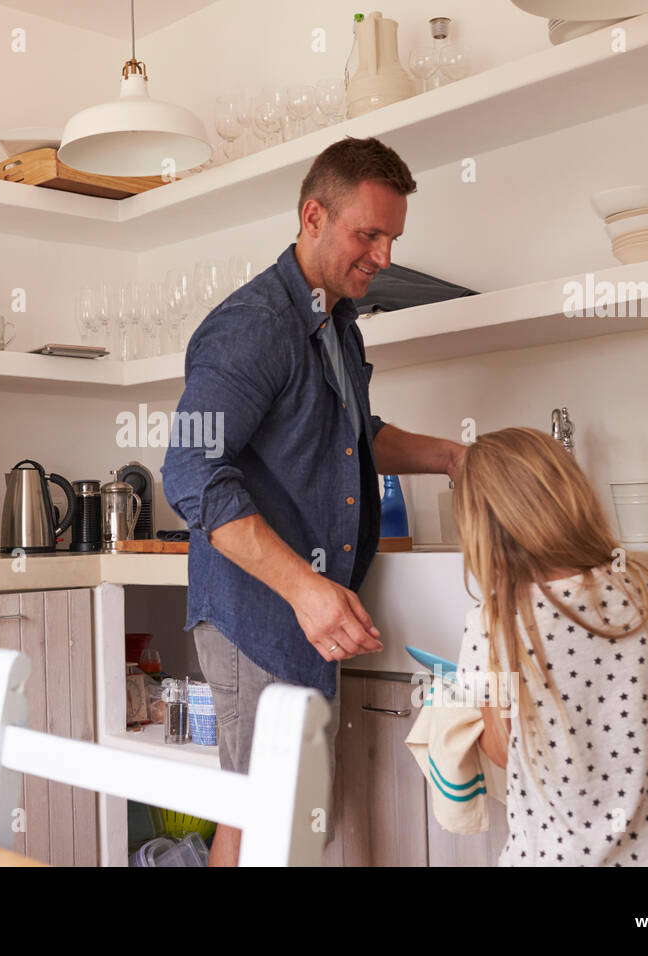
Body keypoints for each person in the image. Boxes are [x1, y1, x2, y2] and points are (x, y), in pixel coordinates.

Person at [161, 136, 466, 866]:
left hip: (301, 606)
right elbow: (190, 472)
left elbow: (353, 437)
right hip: (259, 610)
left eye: (392, 238)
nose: (384, 256)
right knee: (269, 816)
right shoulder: (253, 327)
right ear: (313, 217)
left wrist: (455, 457)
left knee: (275, 814)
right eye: (369, 234)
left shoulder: (336, 323)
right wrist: (306, 590)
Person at [453, 427, 648, 866]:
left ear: (480, 527)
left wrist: (461, 701)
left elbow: (503, 751)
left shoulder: (493, 624)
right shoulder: (640, 590)